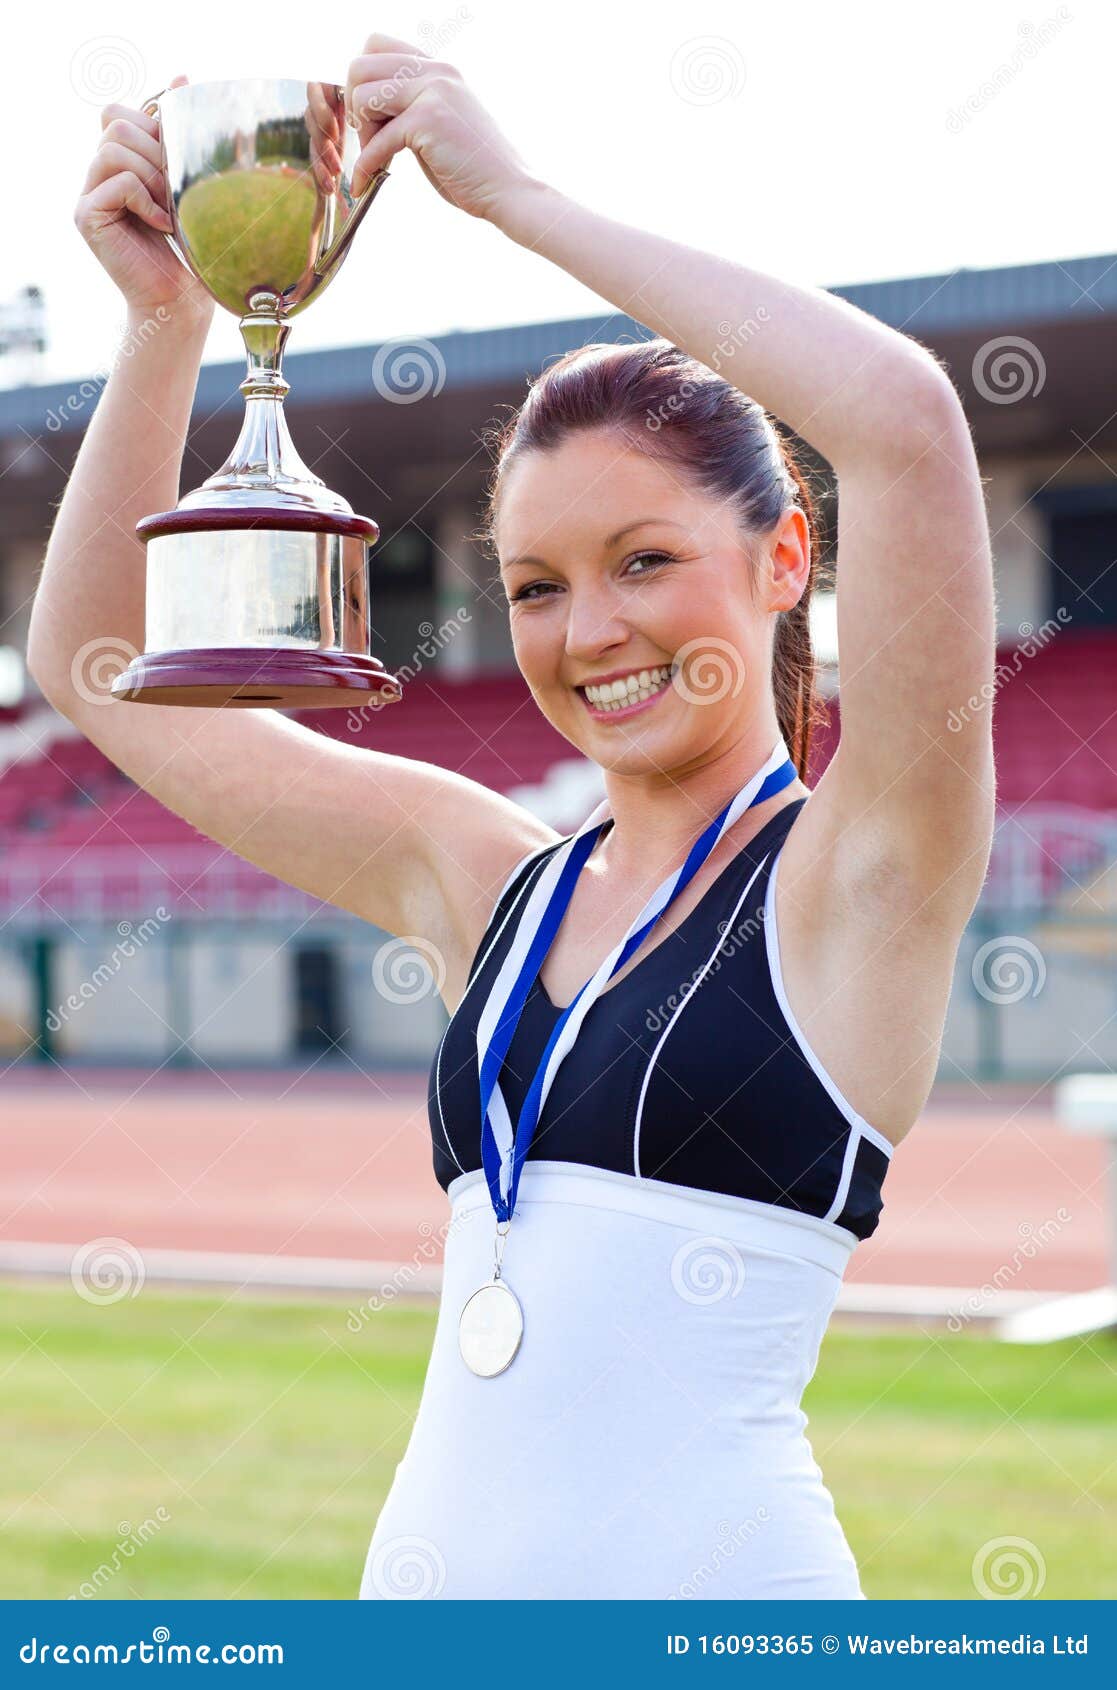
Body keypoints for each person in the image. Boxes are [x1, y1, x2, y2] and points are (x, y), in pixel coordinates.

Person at [34, 33, 995, 1600]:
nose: (588, 631)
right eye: (537, 587)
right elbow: (94, 666)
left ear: (782, 558)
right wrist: (165, 321)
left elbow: (903, 416)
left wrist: (515, 199)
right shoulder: (489, 877)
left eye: (641, 560)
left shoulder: (854, 875)